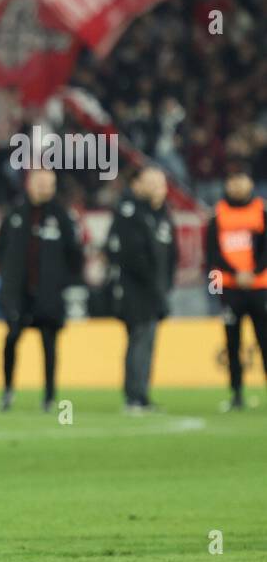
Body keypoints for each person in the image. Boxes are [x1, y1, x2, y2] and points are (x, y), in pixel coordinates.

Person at [0, 168, 85, 412]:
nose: (45, 188)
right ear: (29, 184)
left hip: (49, 294)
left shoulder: (62, 216)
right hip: (19, 293)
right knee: (12, 338)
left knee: (49, 344)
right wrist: (10, 282)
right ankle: (7, 390)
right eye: (40, 183)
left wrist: (61, 282)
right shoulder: (14, 214)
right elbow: (1, 251)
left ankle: (49, 395)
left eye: (49, 183)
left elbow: (75, 254)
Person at [106, 165, 175, 413]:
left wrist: (165, 285)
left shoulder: (162, 215)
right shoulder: (130, 212)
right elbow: (131, 255)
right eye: (153, 183)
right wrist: (154, 284)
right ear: (139, 185)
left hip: (155, 290)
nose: (158, 188)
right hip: (135, 290)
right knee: (139, 339)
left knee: (147, 341)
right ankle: (134, 396)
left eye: (161, 184)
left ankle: (142, 394)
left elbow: (171, 255)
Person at [205, 166, 267, 409]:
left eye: (241, 179)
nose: (237, 185)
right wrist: (235, 274)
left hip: (259, 286)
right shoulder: (217, 215)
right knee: (232, 343)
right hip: (229, 289)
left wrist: (253, 273)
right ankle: (237, 394)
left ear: (250, 182)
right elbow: (212, 254)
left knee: (265, 340)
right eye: (232, 180)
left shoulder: (261, 211)